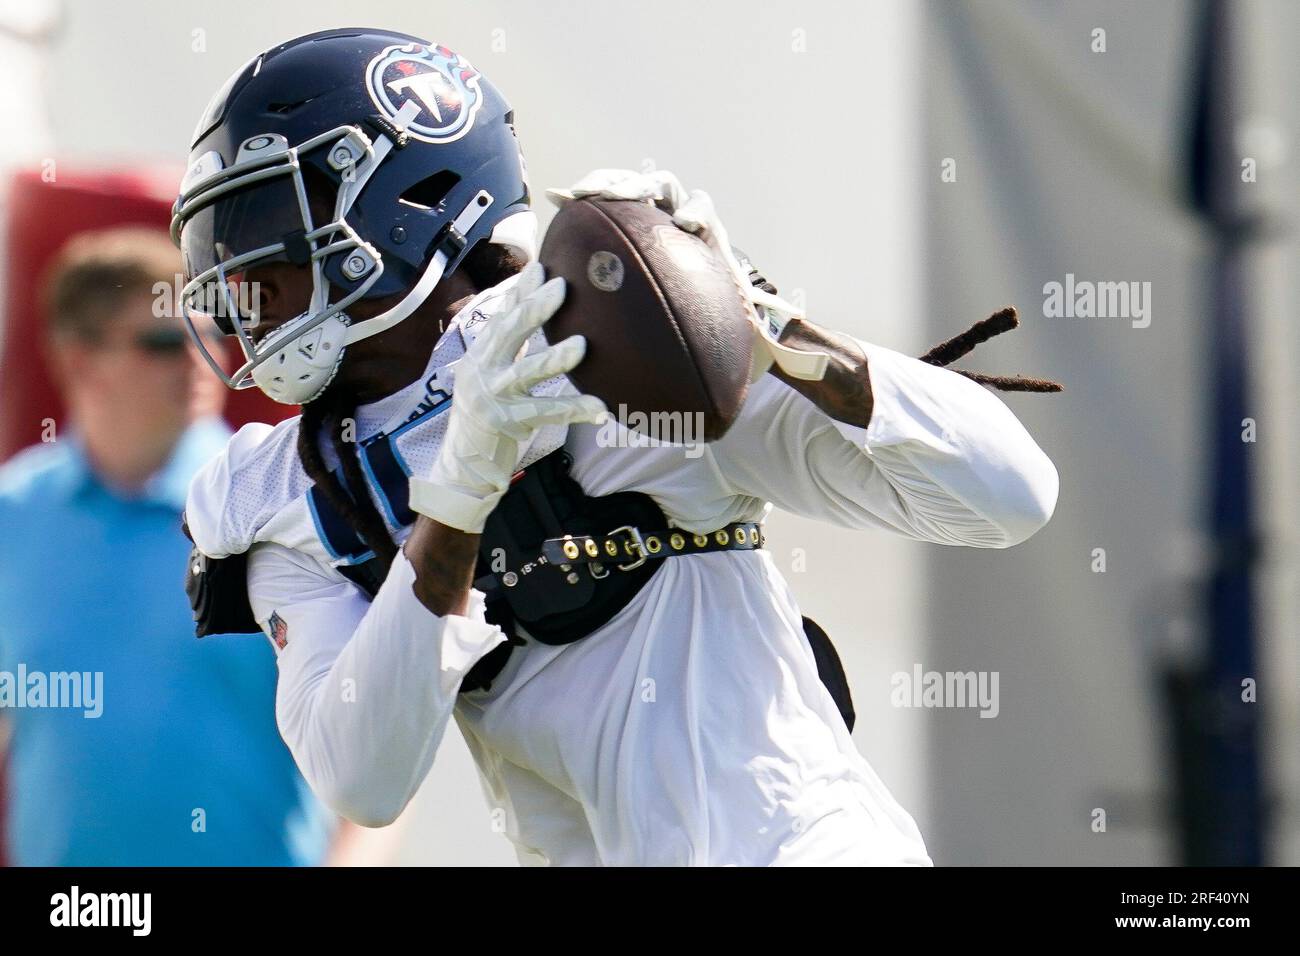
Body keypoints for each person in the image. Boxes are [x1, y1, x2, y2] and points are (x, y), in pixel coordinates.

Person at [174, 28, 1059, 866]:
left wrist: (767, 325)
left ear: (403, 202)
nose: (239, 278)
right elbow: (364, 776)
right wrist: (459, 499)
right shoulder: (290, 494)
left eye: (264, 221)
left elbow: (1010, 498)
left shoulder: (606, 350)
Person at [0, 226, 337, 865]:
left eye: (211, 333)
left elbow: (370, 731)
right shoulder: (12, 518)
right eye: (163, 341)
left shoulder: (285, 508)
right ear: (78, 361)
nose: (201, 358)